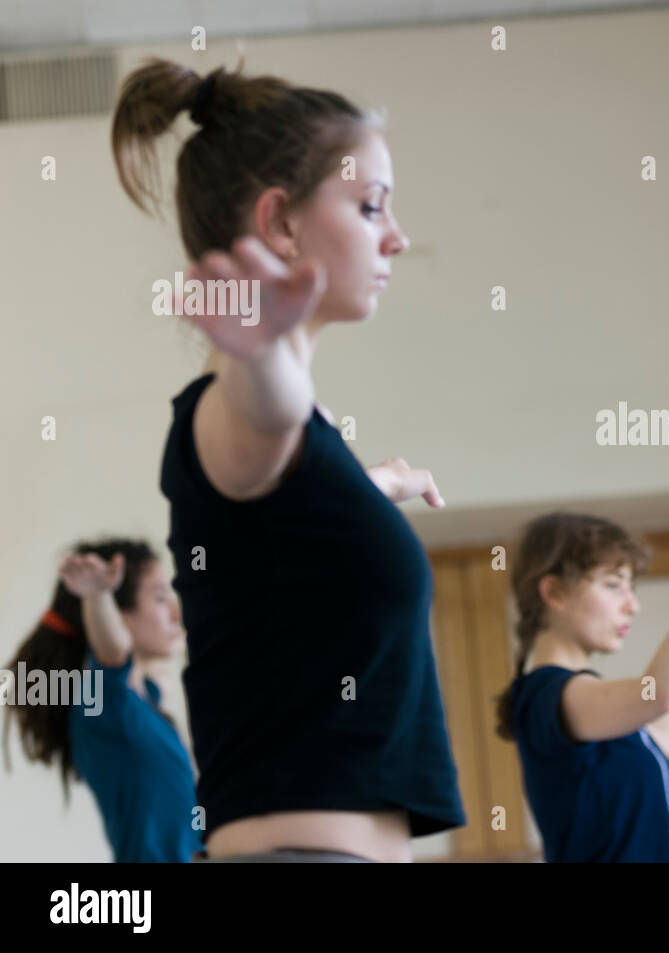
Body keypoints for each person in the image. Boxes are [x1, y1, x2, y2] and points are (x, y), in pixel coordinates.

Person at [110, 57, 465, 861]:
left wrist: (374, 490)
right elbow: (262, 419)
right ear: (280, 223)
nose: (397, 236)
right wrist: (264, 350)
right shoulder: (240, 400)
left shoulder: (289, 432)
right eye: (371, 205)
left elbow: (271, 526)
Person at [496, 478, 669, 862]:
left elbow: (665, 737)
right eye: (613, 585)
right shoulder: (545, 697)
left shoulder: (593, 710)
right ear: (554, 592)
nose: (632, 606)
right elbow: (659, 693)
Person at [4, 539, 201, 862]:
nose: (176, 611)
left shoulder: (143, 704)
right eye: (161, 597)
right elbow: (112, 653)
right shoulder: (102, 702)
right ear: (119, 617)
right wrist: (97, 596)